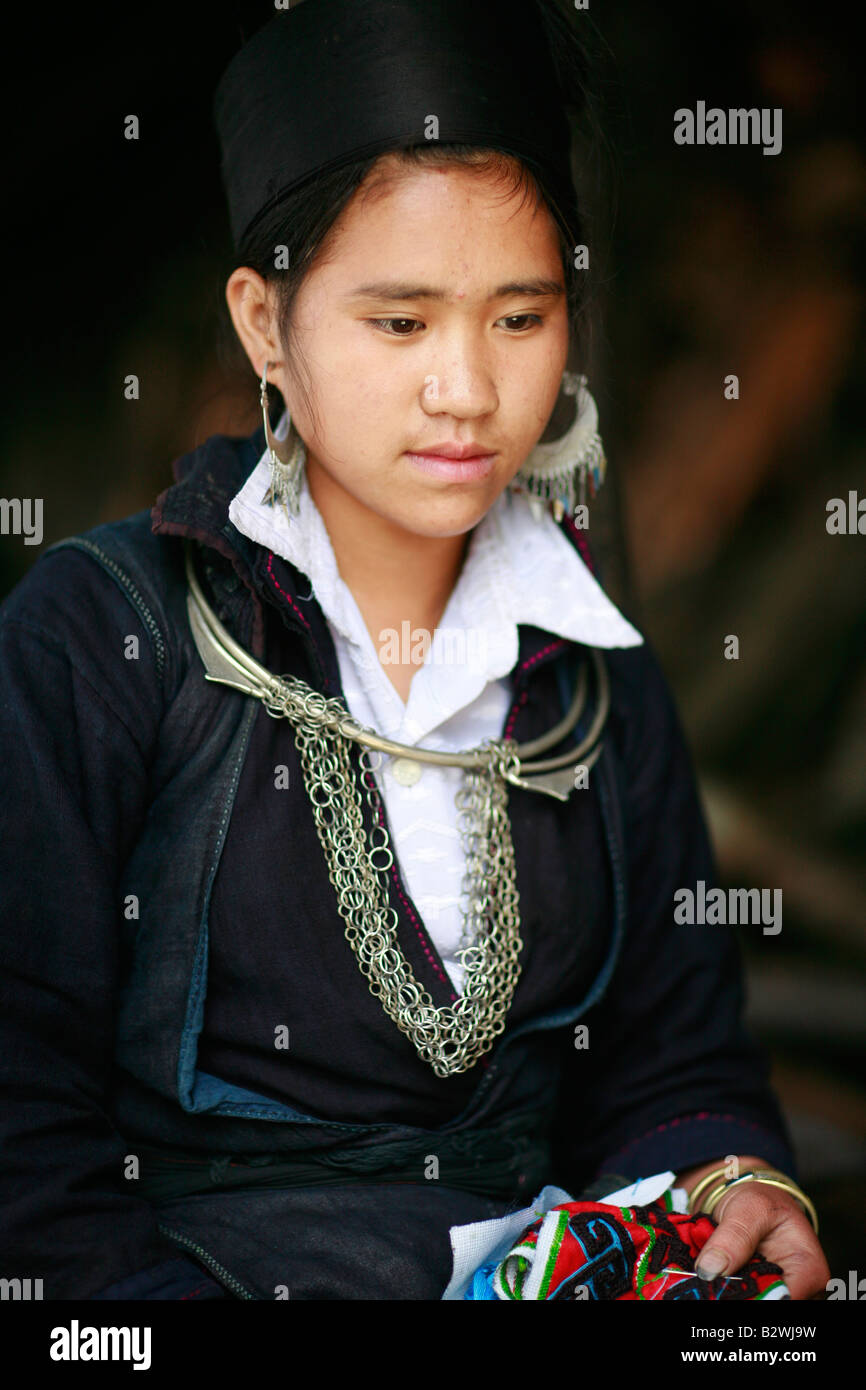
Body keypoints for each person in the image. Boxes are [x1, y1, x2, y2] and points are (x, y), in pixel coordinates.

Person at [0, 0, 829, 1300]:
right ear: (266, 327)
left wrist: (733, 1180)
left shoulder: (590, 675)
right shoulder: (99, 642)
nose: (466, 387)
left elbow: (670, 1064)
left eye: (518, 317)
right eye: (399, 322)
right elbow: (23, 1143)